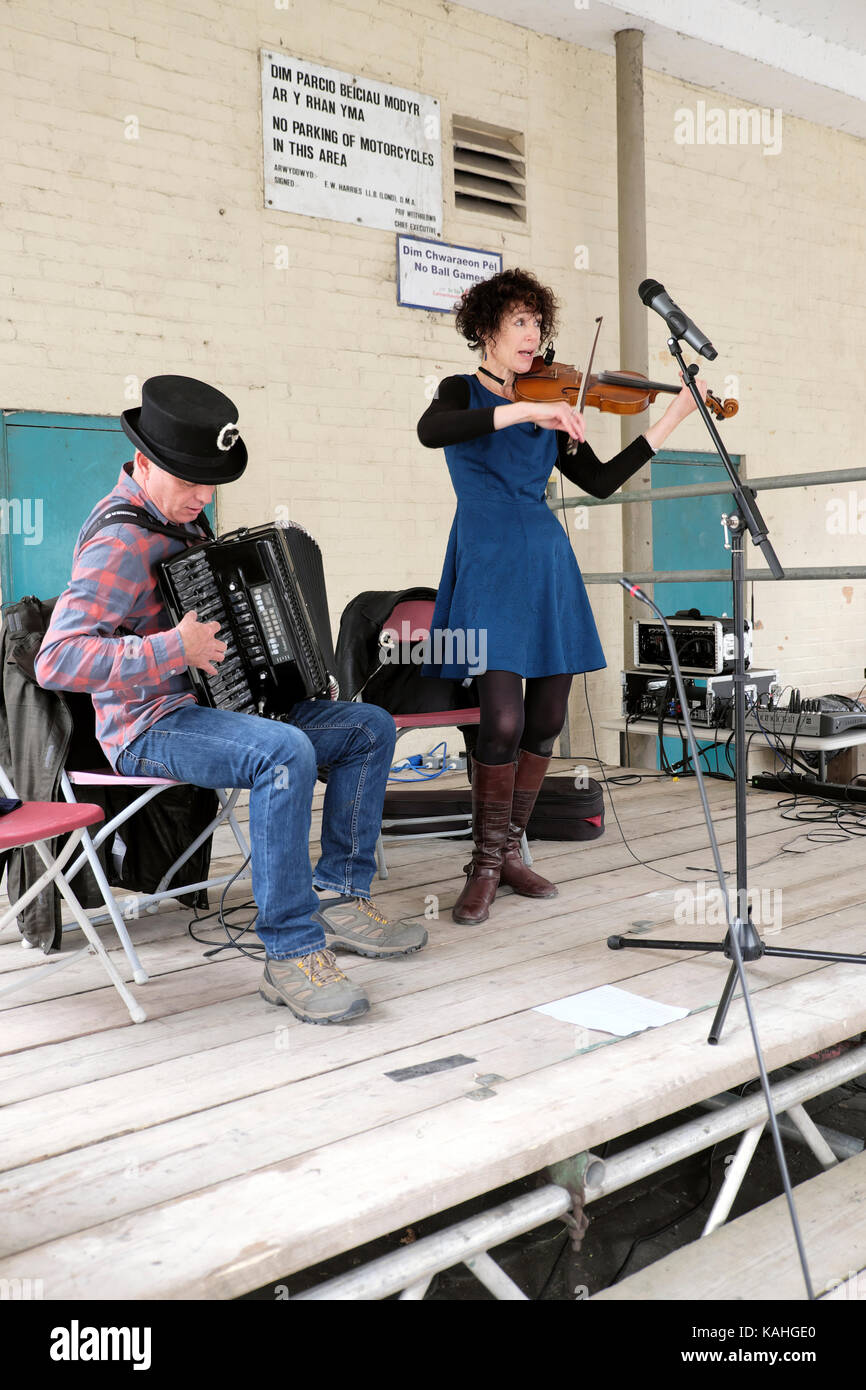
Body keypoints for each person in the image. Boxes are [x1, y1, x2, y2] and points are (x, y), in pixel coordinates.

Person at [35, 375, 427, 1024]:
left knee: (369, 727)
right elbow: (57, 661)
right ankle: (290, 954)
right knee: (283, 755)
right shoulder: (119, 540)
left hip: (217, 707)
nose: (203, 494)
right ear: (142, 463)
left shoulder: (183, 519)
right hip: (148, 726)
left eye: (211, 479)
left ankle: (340, 897)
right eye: (189, 479)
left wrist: (292, 675)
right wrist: (170, 652)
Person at [417, 268, 707, 926]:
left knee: (547, 717)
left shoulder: (555, 407)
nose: (532, 334)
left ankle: (510, 851)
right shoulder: (458, 393)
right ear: (487, 331)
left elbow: (601, 481)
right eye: (519, 322)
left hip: (547, 562)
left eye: (537, 323)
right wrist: (529, 408)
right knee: (503, 720)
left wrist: (671, 418)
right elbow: (433, 432)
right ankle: (485, 863)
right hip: (488, 565)